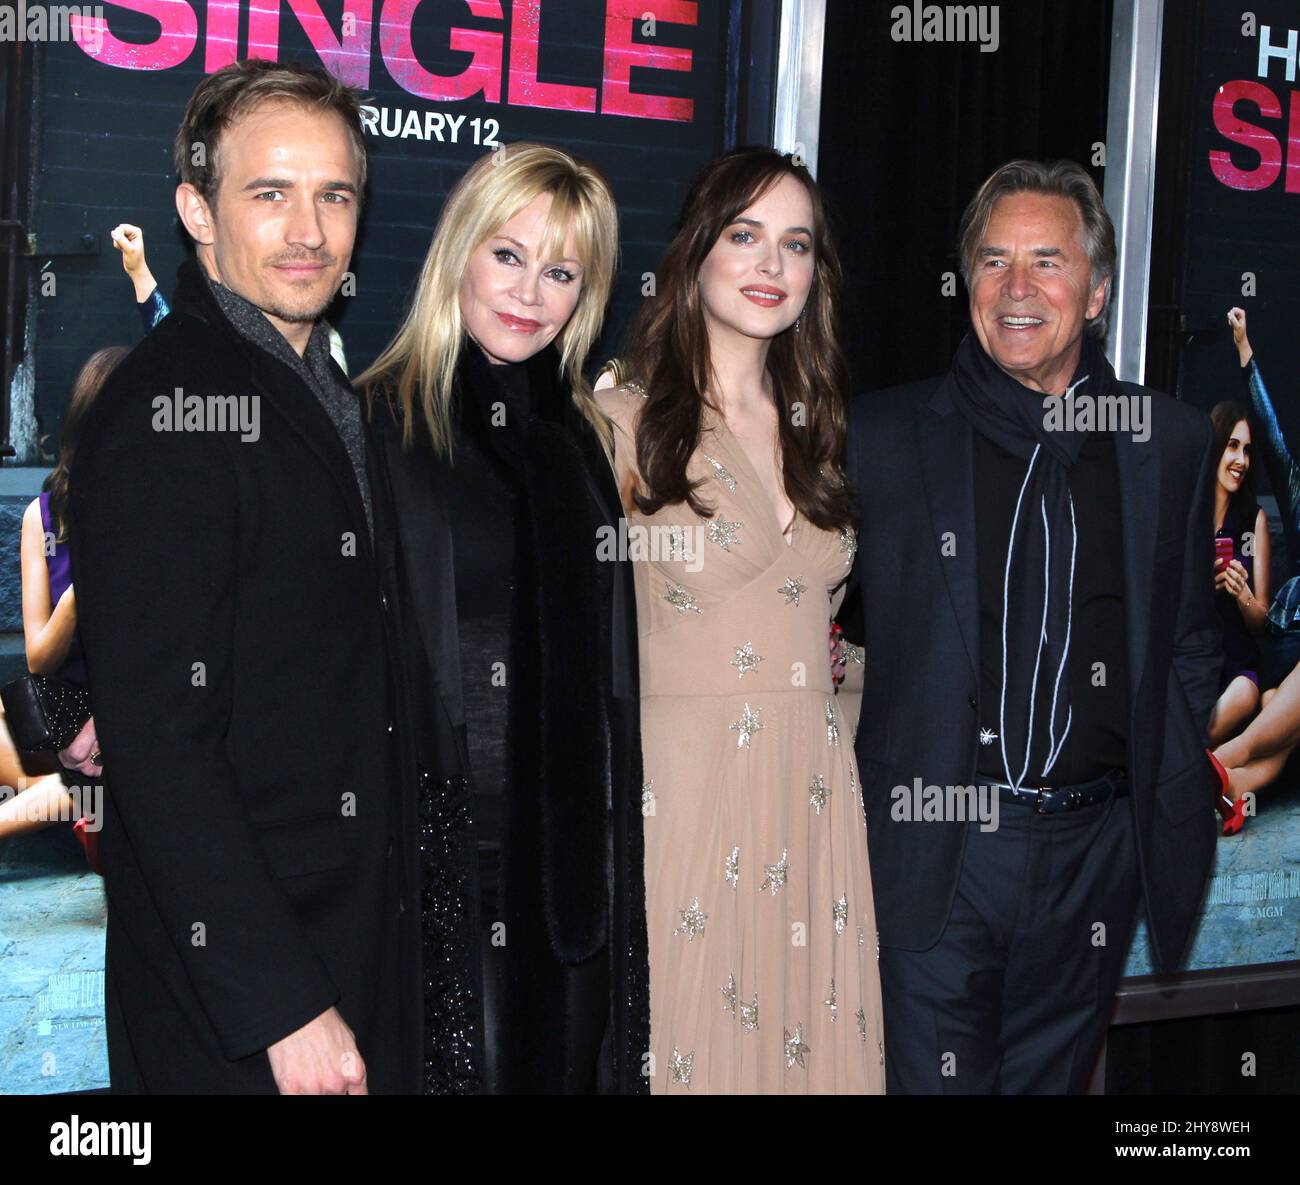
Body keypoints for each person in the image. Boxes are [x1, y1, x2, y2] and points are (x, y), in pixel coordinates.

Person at [66, 59, 419, 1094]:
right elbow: (160, 744)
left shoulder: (325, 387)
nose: (308, 229)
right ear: (197, 211)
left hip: (346, 932)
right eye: (270, 193)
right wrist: (282, 1003)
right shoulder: (168, 406)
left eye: (334, 195)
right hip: (244, 998)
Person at [847, 160, 1221, 1094]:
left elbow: (1188, 642)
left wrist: (1144, 811)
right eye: (993, 261)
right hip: (937, 850)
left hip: (1096, 860)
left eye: (1047, 262)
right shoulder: (880, 438)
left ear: (1096, 292)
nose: (1016, 287)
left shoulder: (1169, 442)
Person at [356, 143, 648, 1094]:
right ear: (459, 252)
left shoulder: (578, 439)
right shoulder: (377, 421)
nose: (530, 292)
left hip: (570, 871)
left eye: (561, 271)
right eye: (509, 255)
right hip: (434, 860)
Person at [598, 147, 885, 1094]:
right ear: (696, 253)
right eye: (745, 235)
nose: (772, 264)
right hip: (683, 793)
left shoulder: (821, 429)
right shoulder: (621, 422)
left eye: (796, 244)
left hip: (812, 796)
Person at [0, 349, 126, 850]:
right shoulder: (44, 517)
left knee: (108, 768)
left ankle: (88, 806)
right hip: (66, 717)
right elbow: (39, 660)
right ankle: (88, 808)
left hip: (136, 719)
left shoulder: (169, 508)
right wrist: (77, 597)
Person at [1207, 401, 1269, 749]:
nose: (1241, 460)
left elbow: (1262, 623)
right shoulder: (1185, 514)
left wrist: (1242, 592)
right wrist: (1203, 587)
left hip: (1236, 666)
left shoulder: (1253, 520)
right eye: (1232, 446)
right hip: (1191, 660)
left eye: (1247, 450)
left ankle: (1183, 759)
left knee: (1245, 692)